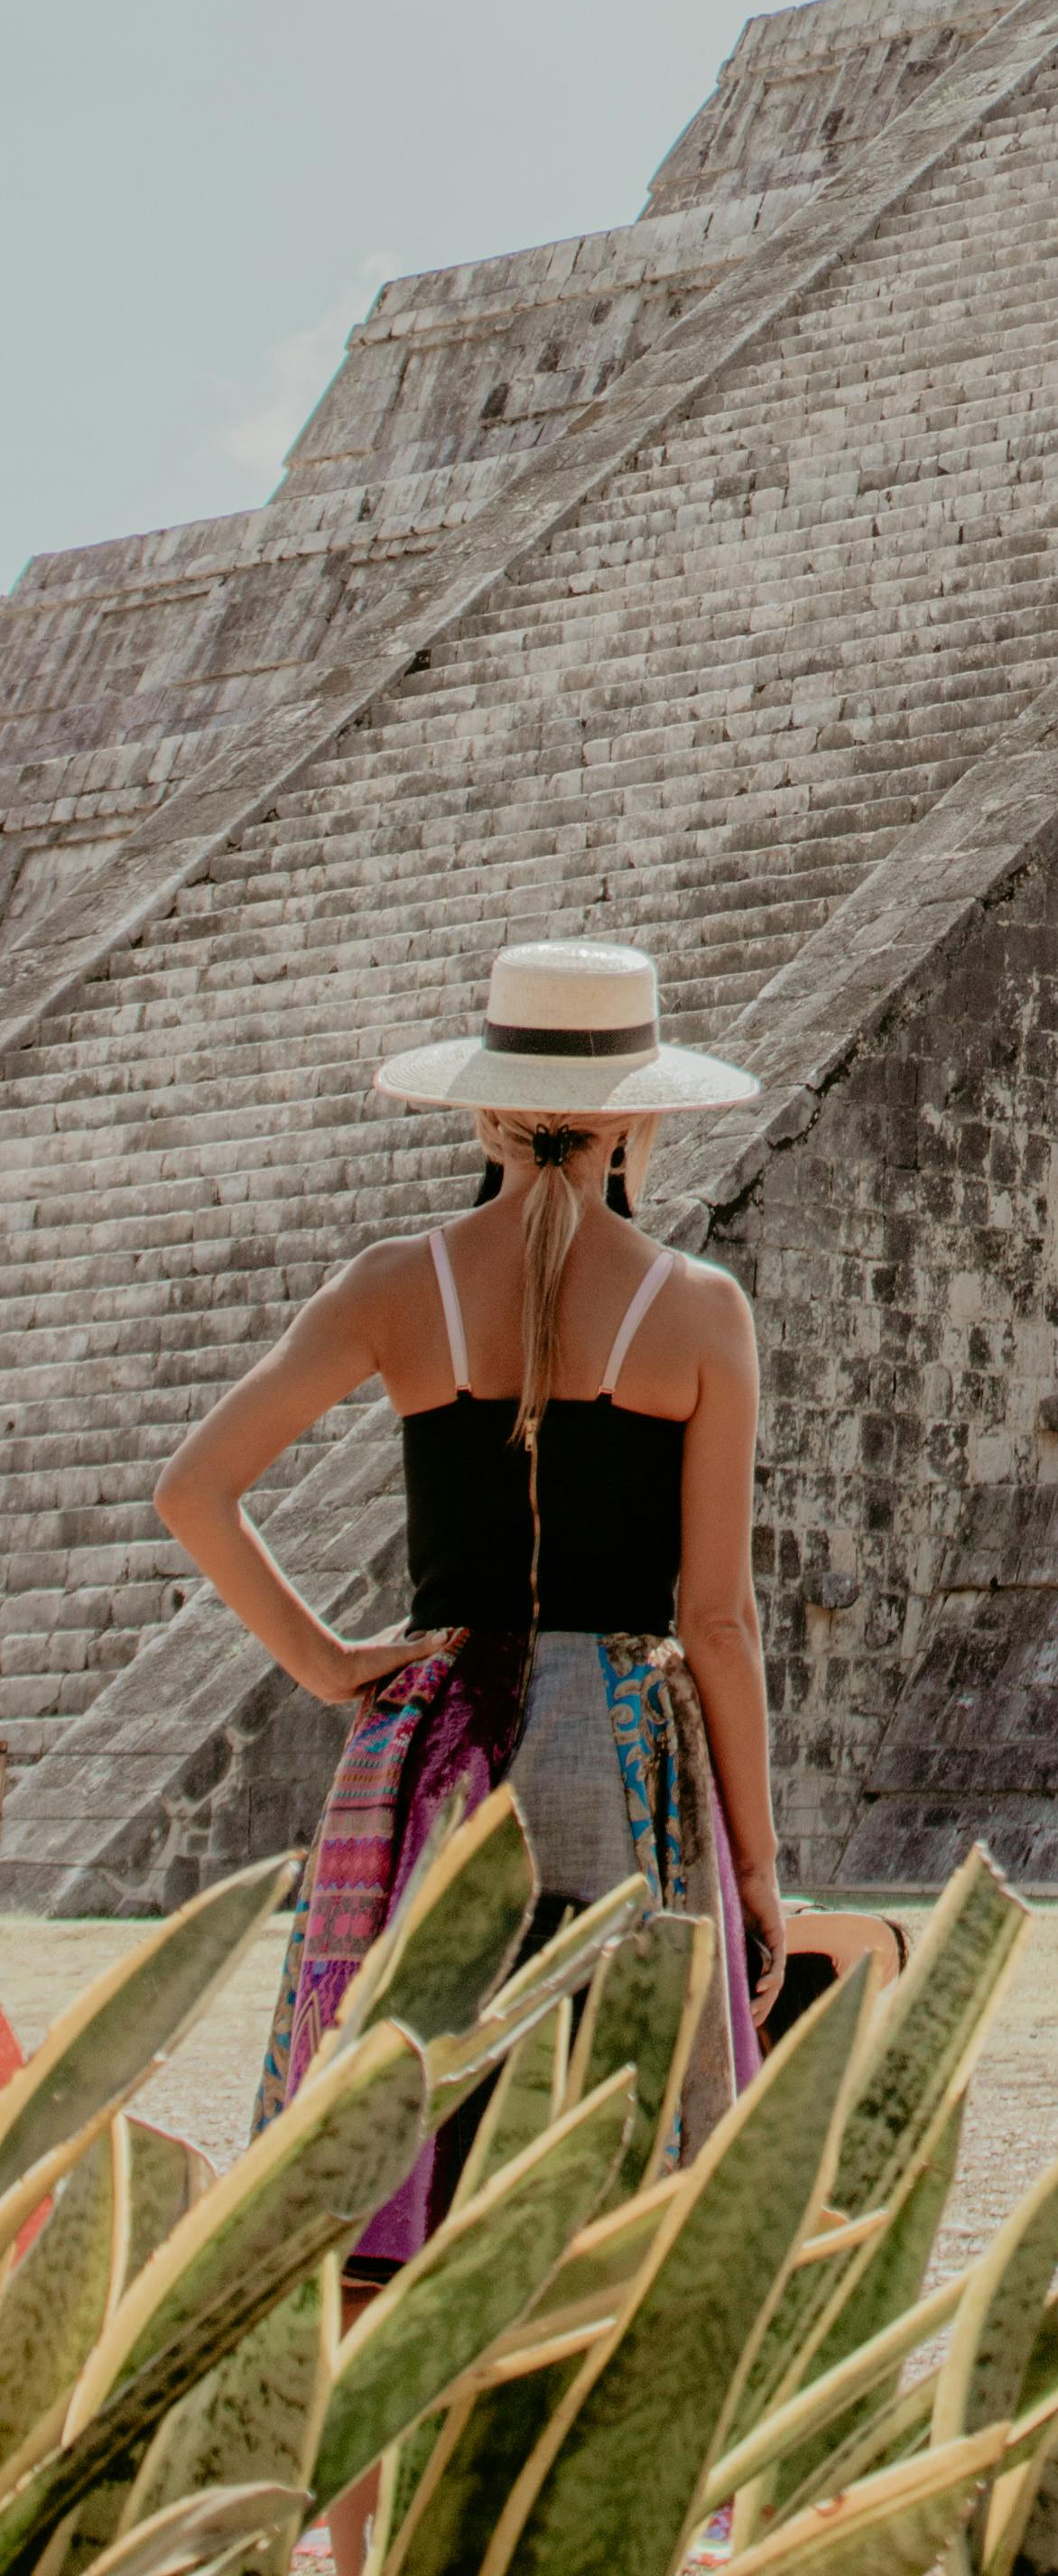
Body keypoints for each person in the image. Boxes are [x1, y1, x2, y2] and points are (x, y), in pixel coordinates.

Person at [153, 936, 787, 2259]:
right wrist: (764, 1869)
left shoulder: (395, 1286)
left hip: (435, 1748)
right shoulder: (700, 1310)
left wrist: (332, 1666)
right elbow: (719, 1622)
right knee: (615, 2137)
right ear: (638, 1117)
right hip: (626, 1752)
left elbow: (194, 1491)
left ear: (488, 1108)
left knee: (405, 2123)